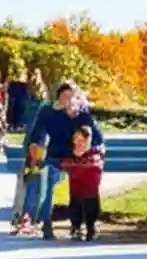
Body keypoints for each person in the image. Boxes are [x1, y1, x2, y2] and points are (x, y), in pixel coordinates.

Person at [28, 80, 103, 240]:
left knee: (86, 182)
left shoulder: (83, 114)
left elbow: (97, 138)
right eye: (64, 96)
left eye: (71, 96)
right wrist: (36, 153)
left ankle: (85, 224)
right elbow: (37, 136)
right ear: (58, 98)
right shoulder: (48, 113)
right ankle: (45, 221)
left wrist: (85, 147)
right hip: (56, 157)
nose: (68, 100)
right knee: (47, 179)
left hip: (79, 158)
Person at [10, 69, 49, 235]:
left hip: (37, 143)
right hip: (30, 141)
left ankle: (29, 215)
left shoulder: (40, 98)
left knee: (33, 179)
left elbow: (40, 124)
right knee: (27, 179)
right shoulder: (28, 95)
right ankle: (24, 215)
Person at [60, 126, 104, 242]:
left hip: (90, 189)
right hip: (76, 188)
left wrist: (78, 162)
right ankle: (76, 226)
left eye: (80, 140)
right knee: (75, 203)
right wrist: (76, 161)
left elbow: (94, 165)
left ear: (87, 141)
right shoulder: (70, 154)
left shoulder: (94, 153)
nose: (77, 143)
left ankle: (91, 227)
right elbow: (65, 164)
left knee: (91, 204)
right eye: (75, 139)